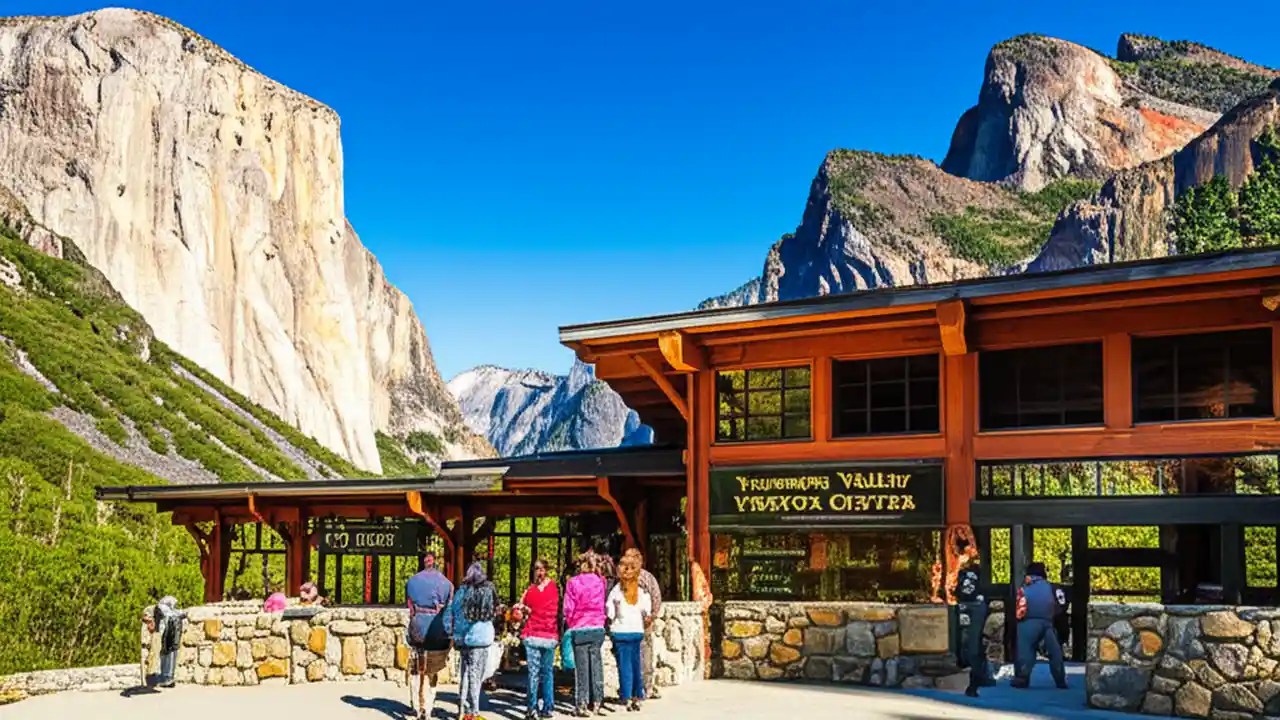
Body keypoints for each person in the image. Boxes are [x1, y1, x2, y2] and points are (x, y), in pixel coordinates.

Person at [445, 561, 497, 720]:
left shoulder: (461, 592)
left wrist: (451, 633)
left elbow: (450, 612)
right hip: (480, 638)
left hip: (463, 639)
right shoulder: (486, 590)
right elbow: (493, 611)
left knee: (465, 674)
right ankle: (474, 712)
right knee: (476, 675)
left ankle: (462, 708)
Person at [406, 552, 454, 720]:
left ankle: (416, 706)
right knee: (432, 670)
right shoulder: (447, 584)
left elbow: (410, 609)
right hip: (437, 630)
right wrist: (449, 635)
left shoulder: (411, 582)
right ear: (436, 563)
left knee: (415, 668)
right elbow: (448, 612)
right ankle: (429, 706)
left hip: (417, 628)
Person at [563, 550, 608, 717]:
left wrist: (570, 622)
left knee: (581, 669)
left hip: (580, 626)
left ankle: (581, 704)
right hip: (597, 626)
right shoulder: (600, 581)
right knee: (596, 665)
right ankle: (597, 701)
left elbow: (568, 607)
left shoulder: (573, 583)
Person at [1012, 562, 1068, 690]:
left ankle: (1022, 677)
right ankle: (1060, 679)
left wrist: (1020, 620)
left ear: (1029, 576)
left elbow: (1020, 610)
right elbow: (1062, 604)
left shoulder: (1024, 590)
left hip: (1028, 622)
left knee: (1025, 650)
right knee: (1055, 652)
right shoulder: (1053, 588)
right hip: (1048, 623)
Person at [610, 555, 653, 712]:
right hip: (636, 631)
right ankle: (637, 695)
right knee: (636, 664)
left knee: (624, 666)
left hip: (621, 631)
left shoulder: (616, 590)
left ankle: (626, 696)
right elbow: (647, 610)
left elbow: (609, 612)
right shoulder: (640, 591)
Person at [520, 558, 560, 720]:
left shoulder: (531, 591)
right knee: (547, 672)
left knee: (534, 674)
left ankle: (532, 707)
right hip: (549, 636)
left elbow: (523, 608)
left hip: (533, 635)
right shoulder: (554, 589)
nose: (539, 572)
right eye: (537, 569)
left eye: (540, 569)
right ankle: (548, 707)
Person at [622, 548, 663, 701]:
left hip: (641, 624)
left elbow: (656, 598)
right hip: (630, 624)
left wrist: (651, 617)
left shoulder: (645, 577)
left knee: (644, 656)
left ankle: (643, 687)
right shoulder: (631, 577)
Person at [950, 540, 989, 698]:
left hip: (972, 605)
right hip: (967, 605)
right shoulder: (962, 569)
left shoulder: (973, 569)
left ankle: (975, 679)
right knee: (966, 641)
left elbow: (968, 588)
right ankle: (973, 676)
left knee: (972, 643)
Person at [144, 596, 186, 688]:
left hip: (168, 636)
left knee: (167, 656)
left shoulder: (166, 610)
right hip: (172, 637)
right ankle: (168, 677)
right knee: (170, 656)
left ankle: (167, 678)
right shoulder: (167, 610)